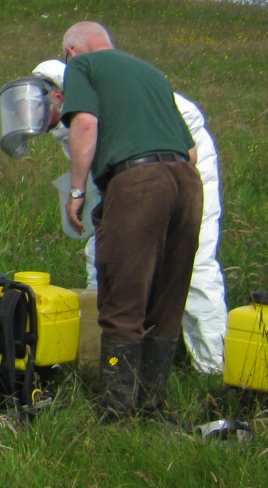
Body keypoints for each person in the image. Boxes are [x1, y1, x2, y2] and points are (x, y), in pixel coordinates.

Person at [33, 57, 227, 375]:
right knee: (106, 258)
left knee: (192, 262)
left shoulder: (118, 94)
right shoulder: (68, 126)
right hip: (126, 178)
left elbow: (188, 126)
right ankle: (105, 358)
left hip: (183, 166)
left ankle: (213, 365)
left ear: (59, 95)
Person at [58, 21, 203, 418]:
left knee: (124, 293)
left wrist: (76, 191)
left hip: (139, 183)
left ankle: (117, 409)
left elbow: (85, 122)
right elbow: (190, 151)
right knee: (168, 294)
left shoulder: (83, 67)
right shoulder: (150, 72)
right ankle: (151, 404)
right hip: (187, 182)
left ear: (71, 50)